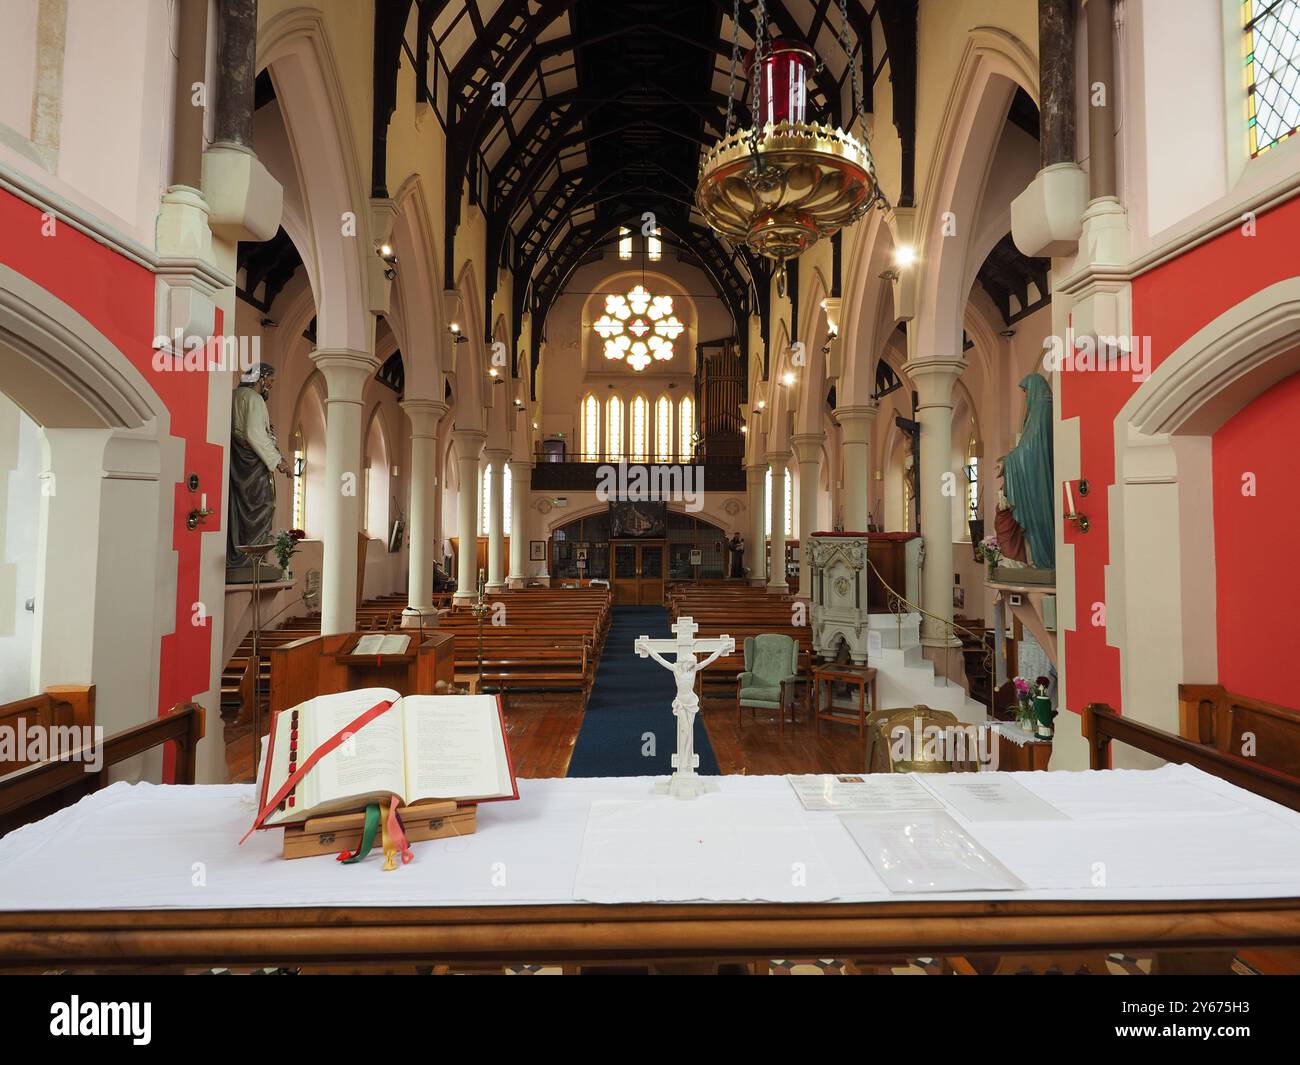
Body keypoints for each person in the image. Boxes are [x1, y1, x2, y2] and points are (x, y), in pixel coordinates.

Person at [227, 363, 291, 569]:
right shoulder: (253, 399)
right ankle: (253, 558)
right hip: (253, 461)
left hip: (237, 459)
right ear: (260, 378)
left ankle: (241, 555)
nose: (270, 386)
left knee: (240, 506)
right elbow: (254, 434)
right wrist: (278, 461)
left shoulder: (234, 395)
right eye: (270, 381)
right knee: (263, 505)